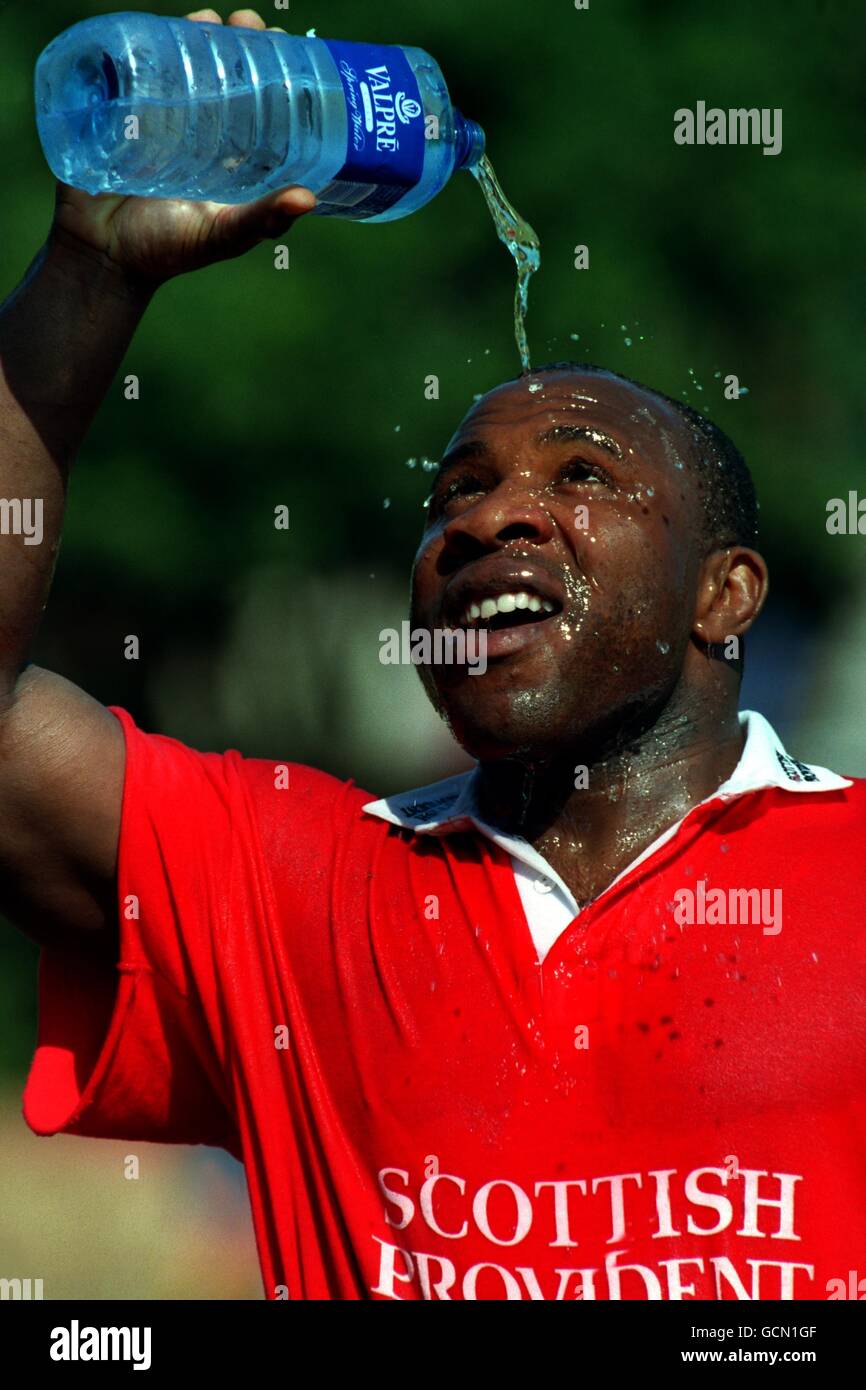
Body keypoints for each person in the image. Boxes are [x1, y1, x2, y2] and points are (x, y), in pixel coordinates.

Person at [1, 7, 863, 1304]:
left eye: (582, 474)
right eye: (452, 488)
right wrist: (89, 272)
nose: (488, 515)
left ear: (723, 594)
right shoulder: (291, 883)